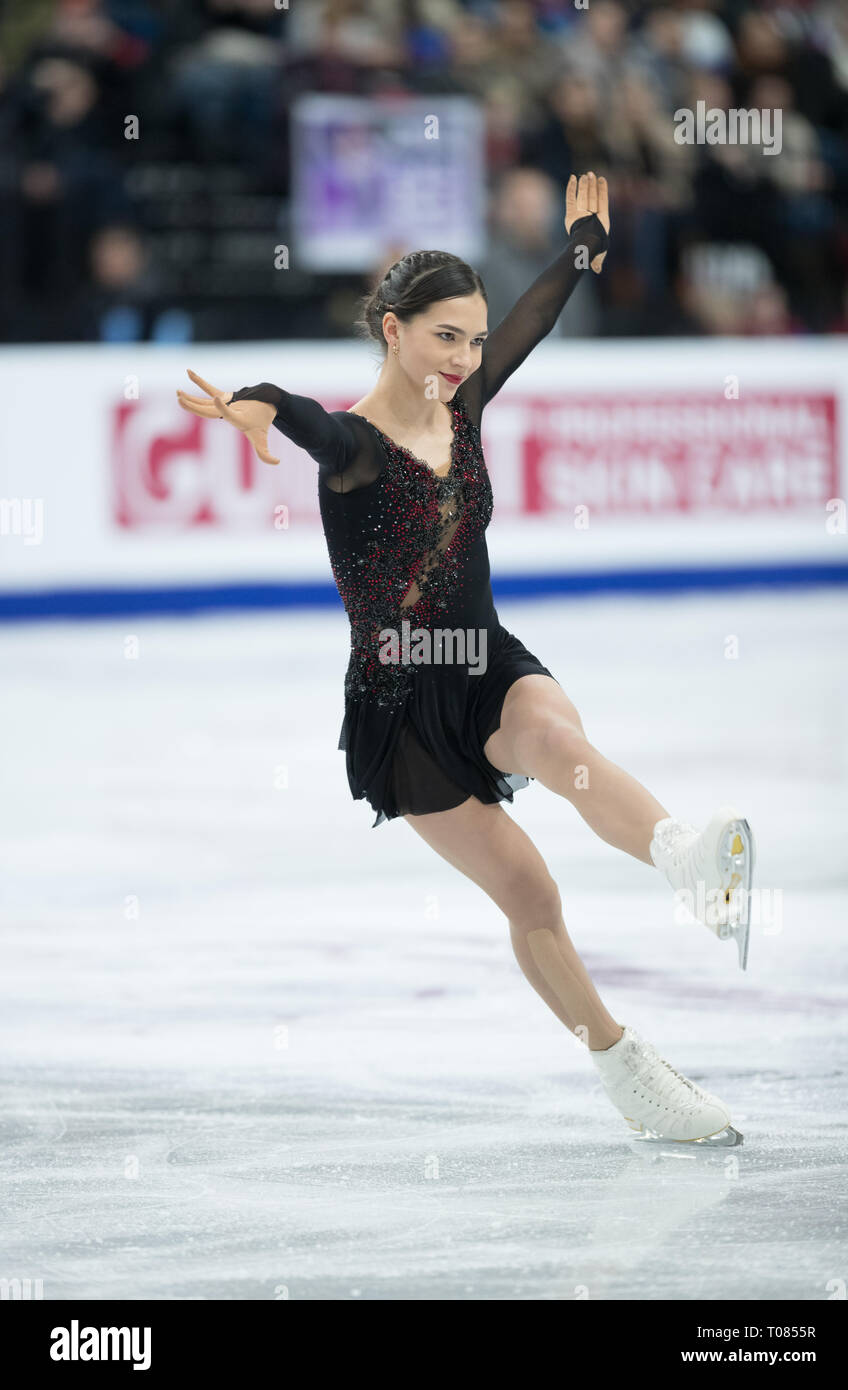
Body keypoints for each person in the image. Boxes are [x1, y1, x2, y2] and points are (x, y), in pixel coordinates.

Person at [177, 173, 754, 1146]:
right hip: (401, 706)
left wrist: (581, 249)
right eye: (445, 335)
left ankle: (680, 854)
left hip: (484, 657)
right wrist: (254, 406)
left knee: (552, 735)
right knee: (531, 896)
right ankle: (622, 1067)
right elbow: (299, 412)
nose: (464, 356)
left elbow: (533, 316)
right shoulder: (356, 447)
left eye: (473, 339)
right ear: (392, 329)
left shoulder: (466, 405)